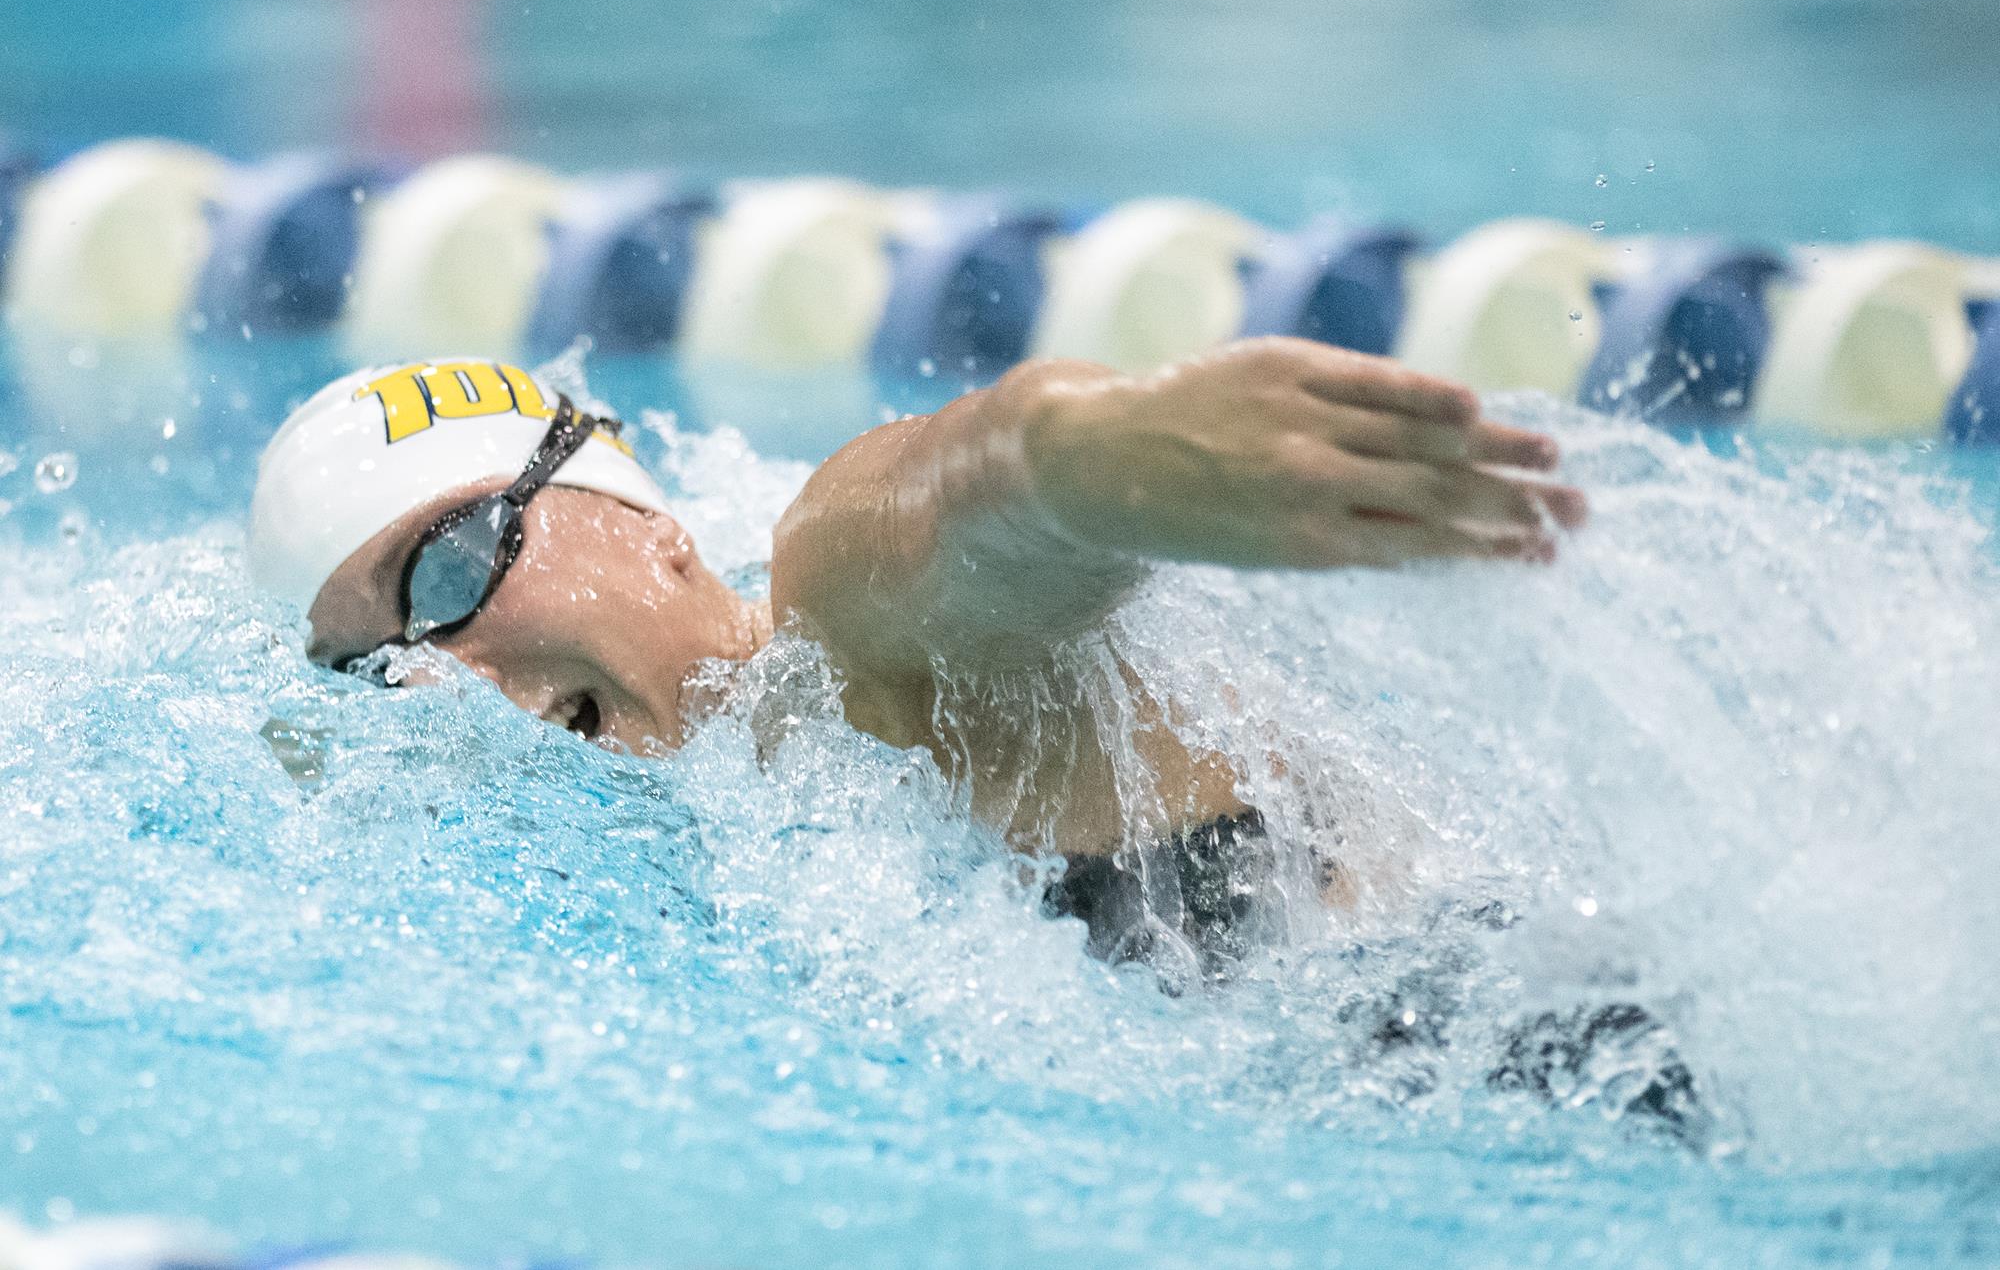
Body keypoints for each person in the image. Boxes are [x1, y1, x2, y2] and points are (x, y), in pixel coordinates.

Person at [250, 339, 1585, 969]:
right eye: (379, 668)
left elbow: (973, 487)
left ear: (645, 524)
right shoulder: (703, 860)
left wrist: (1108, 452)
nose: (447, 678)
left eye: (448, 570)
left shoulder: (839, 631)